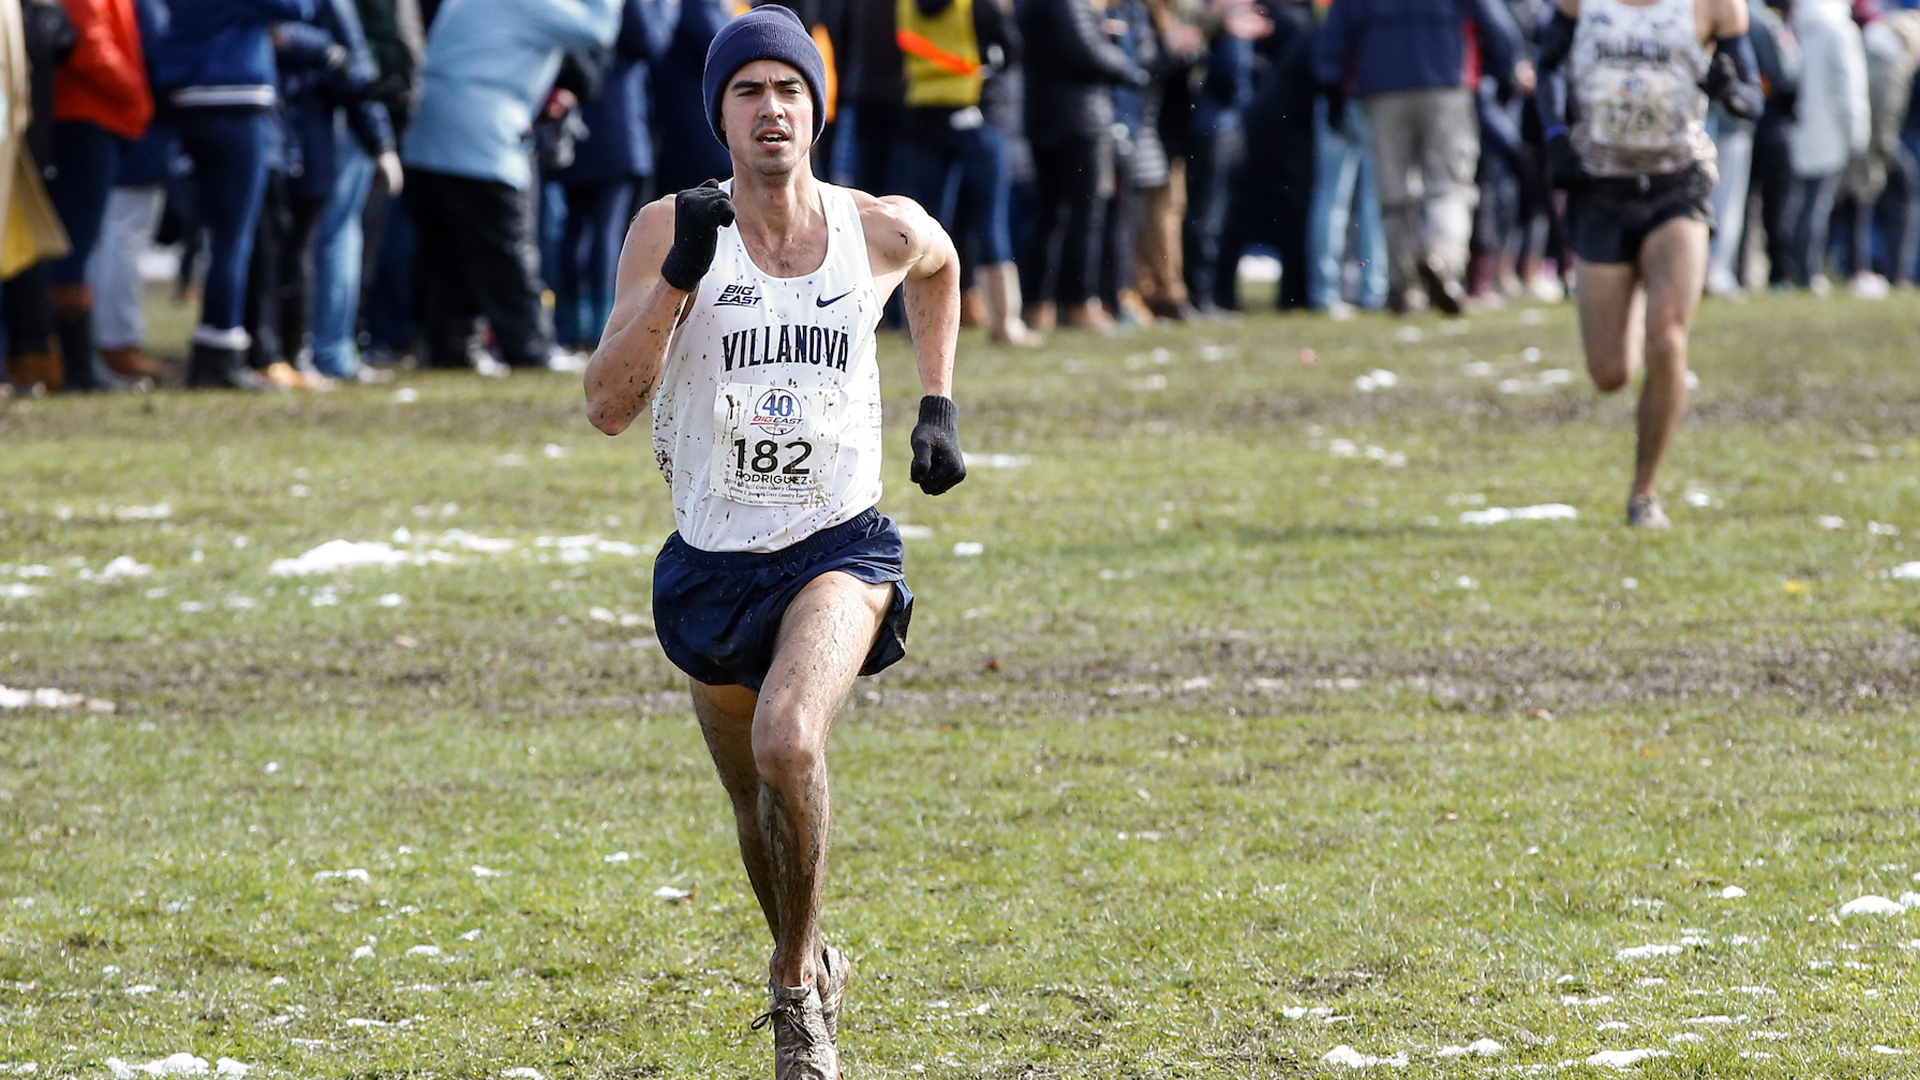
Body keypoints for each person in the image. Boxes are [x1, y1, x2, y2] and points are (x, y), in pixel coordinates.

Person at [581, 8, 966, 1076]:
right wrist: (678, 281)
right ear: (721, 115)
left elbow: (939, 265)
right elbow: (608, 406)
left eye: (788, 90)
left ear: (816, 107)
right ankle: (804, 952)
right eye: (748, 92)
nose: (772, 108)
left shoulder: (872, 226)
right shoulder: (668, 228)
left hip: (840, 545)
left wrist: (937, 402)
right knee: (756, 807)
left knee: (790, 741)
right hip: (712, 559)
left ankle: (796, 994)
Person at [1535, 0, 1761, 526]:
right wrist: (1554, 136)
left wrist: (1733, 92)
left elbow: (1753, 93)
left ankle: (1644, 492)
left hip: (1677, 185)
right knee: (1610, 373)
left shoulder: (1716, 5)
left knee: (1668, 339)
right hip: (1599, 187)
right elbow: (1545, 64)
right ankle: (1632, 303)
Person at [400, 0, 619, 372]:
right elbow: (596, 29)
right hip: (480, 132)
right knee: (506, 246)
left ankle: (452, 347)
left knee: (448, 252)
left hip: (430, 128)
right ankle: (530, 347)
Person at [1315, 0, 1524, 315]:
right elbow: (1494, 22)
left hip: (1382, 88)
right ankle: (1441, 257)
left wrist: (1330, 81)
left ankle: (1404, 288)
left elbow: (1337, 26)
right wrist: (1505, 69)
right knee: (1449, 187)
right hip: (1446, 82)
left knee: (1394, 194)